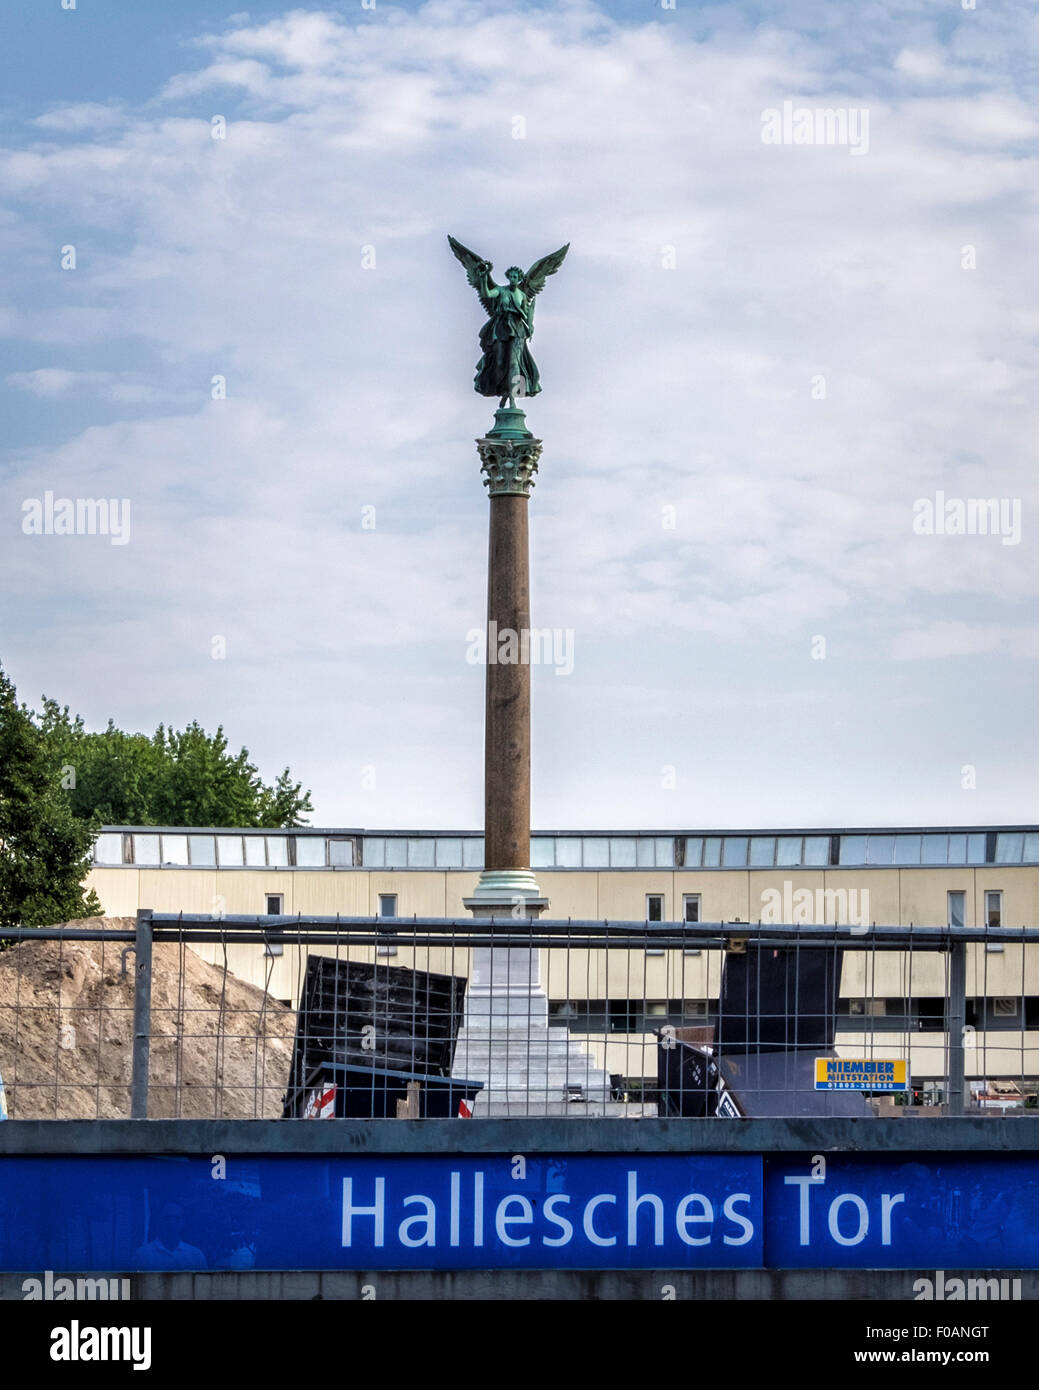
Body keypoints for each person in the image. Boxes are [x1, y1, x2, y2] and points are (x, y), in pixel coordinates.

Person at [133, 1200, 207, 1270]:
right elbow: (128, 1282)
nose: (171, 1223)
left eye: (177, 1219)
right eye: (167, 1218)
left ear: (183, 1223)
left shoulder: (196, 1255)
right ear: (159, 1221)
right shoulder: (142, 1255)